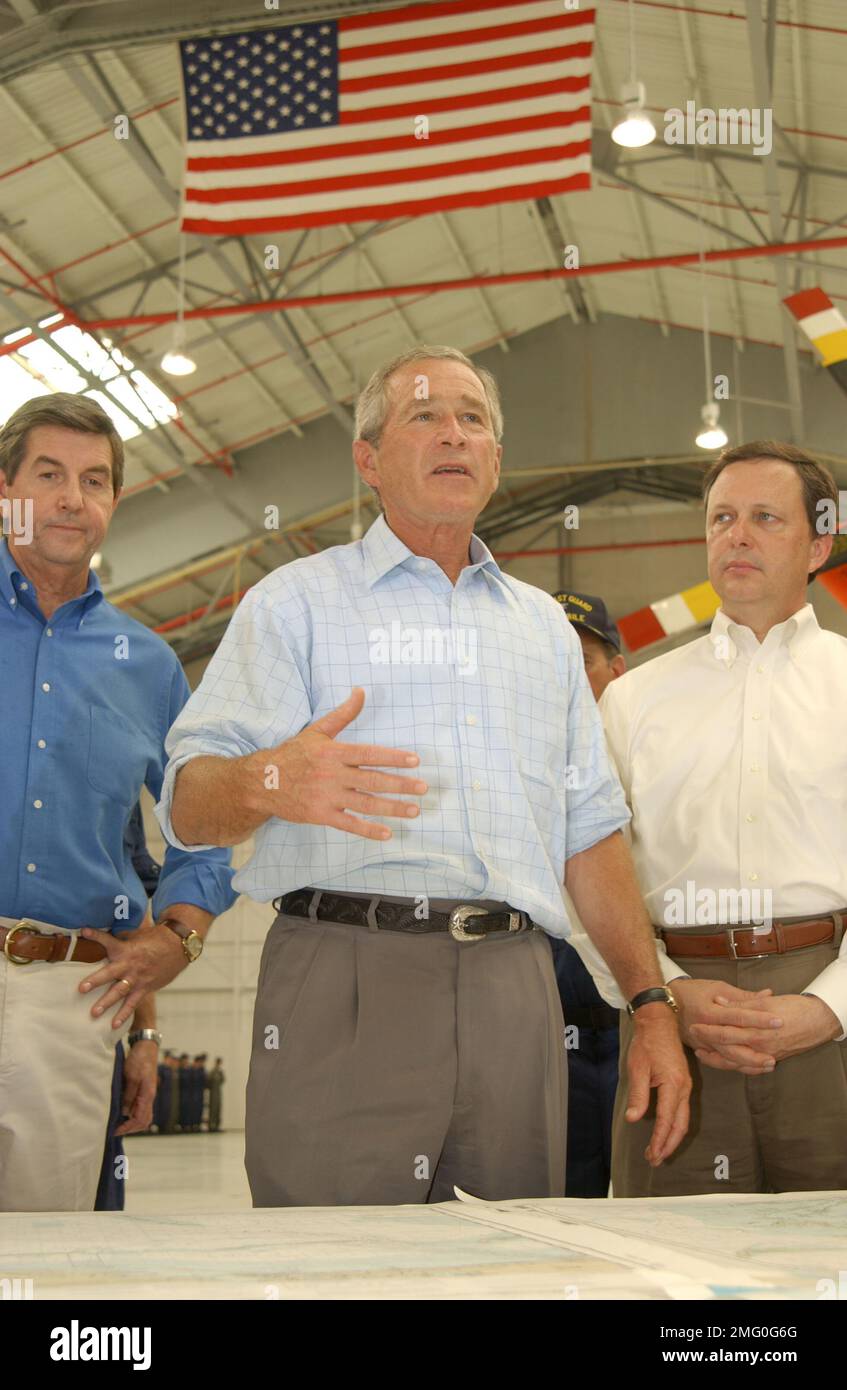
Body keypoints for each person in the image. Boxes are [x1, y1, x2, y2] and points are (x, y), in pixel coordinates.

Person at [158, 344, 690, 1208]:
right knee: (336, 1266)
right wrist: (268, 782)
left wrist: (652, 1003)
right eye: (424, 415)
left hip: (515, 987)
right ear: (368, 459)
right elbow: (184, 808)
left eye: (472, 418)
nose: (454, 433)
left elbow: (589, 832)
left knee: (508, 1266)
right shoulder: (292, 604)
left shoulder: (543, 632)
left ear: (495, 460)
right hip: (343, 974)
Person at [0, 393, 236, 1212]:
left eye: (94, 479)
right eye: (49, 474)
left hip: (67, 998)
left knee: (48, 1246)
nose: (72, 497)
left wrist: (181, 942)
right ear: (6, 490)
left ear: (112, 503)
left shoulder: (150, 665)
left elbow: (197, 836)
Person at [602, 440, 847, 1195]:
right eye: (720, 518)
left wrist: (831, 1008)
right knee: (670, 1269)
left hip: (830, 1017)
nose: (735, 536)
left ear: (818, 543)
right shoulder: (633, 701)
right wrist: (661, 992)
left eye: (764, 518)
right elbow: (583, 869)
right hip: (673, 1023)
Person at [549, 592, 626, 1196]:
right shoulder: (509, 763)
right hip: (545, 1008)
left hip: (635, 1006)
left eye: (584, 661)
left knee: (641, 1184)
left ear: (616, 670)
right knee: (558, 1189)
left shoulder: (647, 752)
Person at [95, 803, 163, 1209]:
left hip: (87, 1006)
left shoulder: (115, 767)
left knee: (87, 1211)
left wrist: (145, 1037)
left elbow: (135, 927)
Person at [208, 1057, 225, 1132]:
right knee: (213, 1109)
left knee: (218, 1109)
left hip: (218, 1093)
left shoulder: (220, 1072)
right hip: (213, 1093)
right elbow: (208, 1082)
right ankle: (211, 1126)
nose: (219, 1064)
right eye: (218, 1062)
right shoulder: (212, 1072)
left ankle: (217, 1126)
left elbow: (223, 1080)